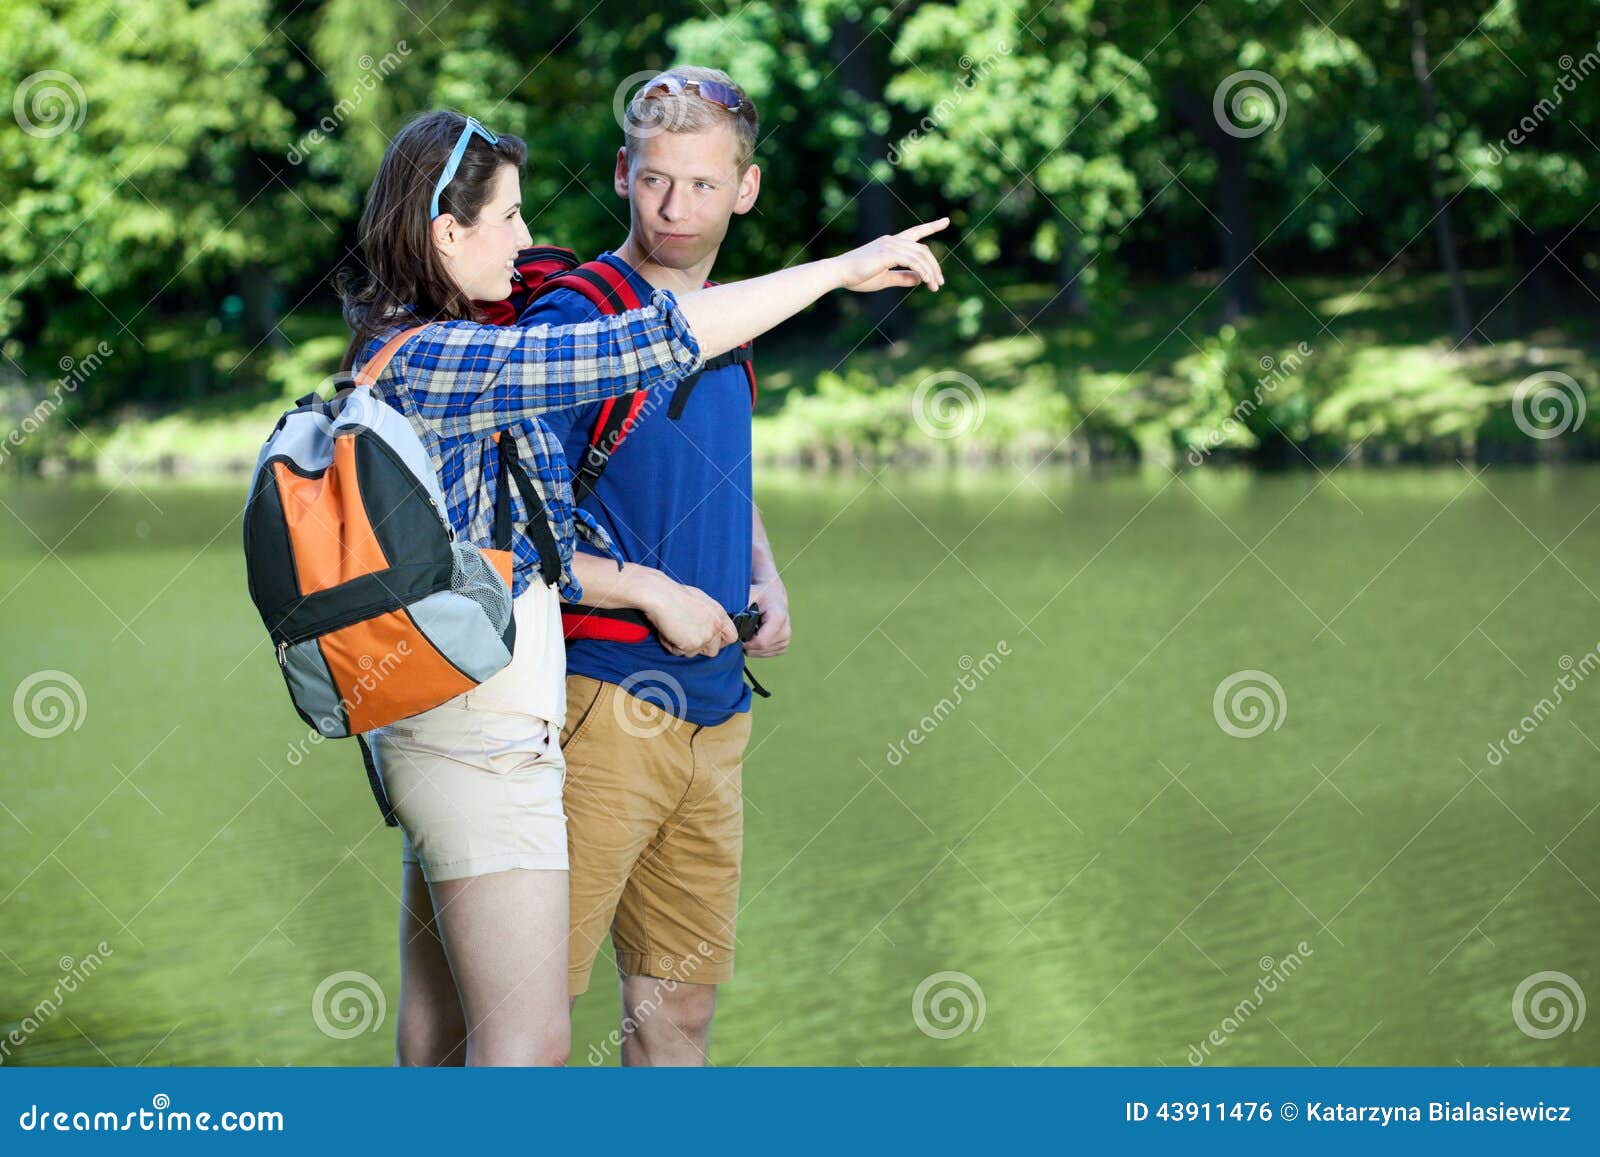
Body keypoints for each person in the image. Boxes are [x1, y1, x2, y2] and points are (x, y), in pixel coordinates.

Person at [339, 107, 947, 1067]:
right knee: (516, 1042)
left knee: (464, 1028)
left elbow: (524, 536)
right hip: (486, 735)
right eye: (509, 217)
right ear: (447, 233)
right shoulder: (444, 359)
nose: (532, 239)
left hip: (498, 723)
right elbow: (632, 349)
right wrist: (837, 269)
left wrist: (744, 571)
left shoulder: (438, 344)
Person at [518, 67, 796, 1065]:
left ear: (746, 189)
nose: (676, 208)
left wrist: (762, 569)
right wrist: (651, 589)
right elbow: (506, 536)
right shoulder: (576, 321)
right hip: (601, 705)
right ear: (622, 173)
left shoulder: (731, 320)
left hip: (716, 710)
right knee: (528, 1016)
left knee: (676, 1014)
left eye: (703, 185)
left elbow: (715, 463)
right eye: (653, 180)